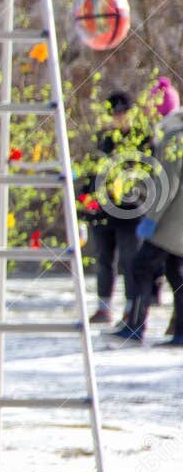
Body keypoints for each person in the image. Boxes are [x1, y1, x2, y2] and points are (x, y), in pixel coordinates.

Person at [113, 86, 183, 344]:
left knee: (140, 267)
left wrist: (152, 218)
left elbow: (168, 183)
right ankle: (179, 332)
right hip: (176, 221)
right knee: (177, 274)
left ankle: (135, 326)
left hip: (171, 222)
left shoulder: (174, 135)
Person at [79, 91, 146, 323]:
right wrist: (86, 199)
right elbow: (92, 172)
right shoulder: (103, 139)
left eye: (122, 114)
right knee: (104, 259)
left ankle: (131, 309)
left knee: (130, 261)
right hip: (103, 210)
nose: (118, 118)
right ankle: (103, 306)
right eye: (114, 114)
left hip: (131, 211)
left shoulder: (142, 139)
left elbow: (149, 175)